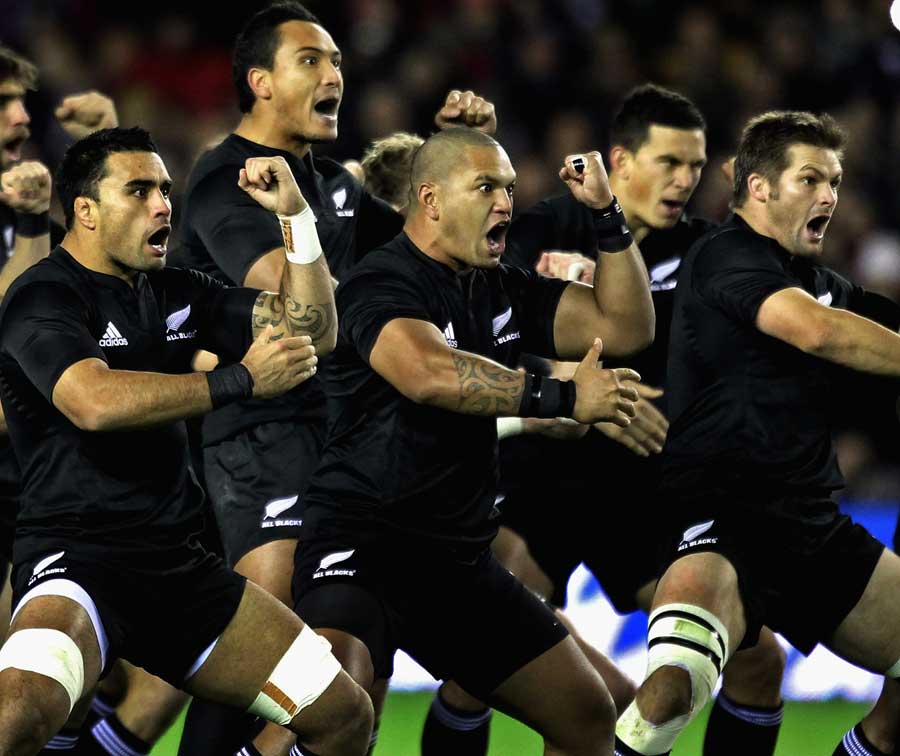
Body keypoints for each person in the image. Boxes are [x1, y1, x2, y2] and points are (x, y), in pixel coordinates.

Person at [419, 83, 787, 756]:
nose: (684, 181)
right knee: (482, 663)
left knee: (759, 662)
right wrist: (573, 389)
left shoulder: (710, 255)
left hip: (644, 489)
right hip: (539, 478)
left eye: (696, 168)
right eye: (669, 163)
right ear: (621, 161)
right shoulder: (544, 228)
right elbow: (475, 328)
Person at [170, 4, 498, 754]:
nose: (335, 76)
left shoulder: (332, 188)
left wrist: (458, 146)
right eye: (310, 61)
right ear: (260, 82)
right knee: (270, 631)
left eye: (338, 62)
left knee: (348, 659)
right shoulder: (230, 181)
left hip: (339, 437)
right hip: (260, 430)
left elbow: (436, 242)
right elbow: (294, 312)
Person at [0, 126, 374, 756]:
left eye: (166, 190)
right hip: (78, 559)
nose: (162, 205)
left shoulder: (178, 290)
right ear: (85, 211)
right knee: (17, 720)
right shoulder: (42, 293)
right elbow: (93, 401)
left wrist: (297, 219)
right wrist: (240, 382)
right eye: (140, 190)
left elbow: (313, 328)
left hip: (177, 566)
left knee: (343, 716)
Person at [292, 125, 653, 756]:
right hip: (365, 543)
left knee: (589, 716)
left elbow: (624, 326)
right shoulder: (381, 282)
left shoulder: (501, 287)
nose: (506, 202)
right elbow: (427, 373)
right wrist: (565, 398)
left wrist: (607, 215)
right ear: (430, 200)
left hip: (456, 562)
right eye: (485, 186)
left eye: (510, 188)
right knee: (337, 712)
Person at [613, 110, 900, 756]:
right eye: (811, 179)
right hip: (721, 517)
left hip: (809, 526)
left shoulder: (824, 283)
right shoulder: (724, 256)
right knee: (672, 688)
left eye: (836, 180)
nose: (830, 195)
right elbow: (816, 331)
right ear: (761, 189)